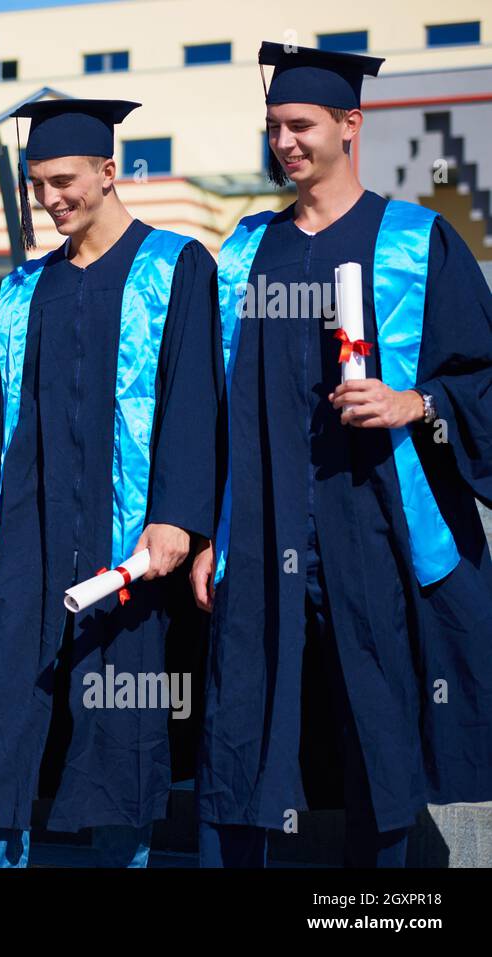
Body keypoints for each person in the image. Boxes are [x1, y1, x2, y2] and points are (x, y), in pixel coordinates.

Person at [193, 42, 492, 867]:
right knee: (244, 728)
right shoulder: (244, 253)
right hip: (262, 525)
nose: (285, 142)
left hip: (376, 526)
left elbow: (483, 375)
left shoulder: (416, 241)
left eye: (301, 125)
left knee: (380, 730)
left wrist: (416, 402)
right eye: (274, 126)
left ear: (350, 125)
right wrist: (209, 529)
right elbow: (211, 408)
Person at [0, 100, 222, 868]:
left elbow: (194, 397)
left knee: (120, 726)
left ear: (108, 171)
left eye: (64, 181)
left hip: (125, 535)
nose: (52, 198)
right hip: (22, 531)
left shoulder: (174, 265)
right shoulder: (25, 289)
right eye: (38, 186)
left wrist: (177, 517)